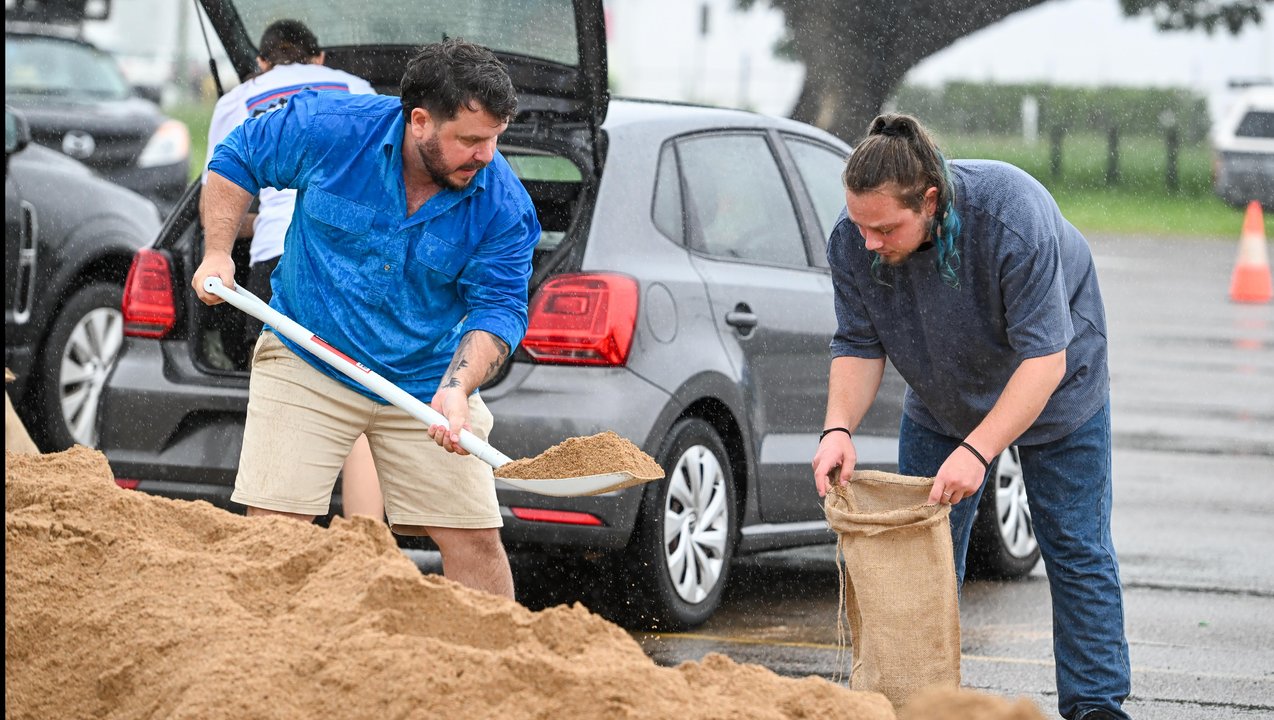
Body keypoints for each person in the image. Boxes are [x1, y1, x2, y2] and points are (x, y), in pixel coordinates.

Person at [192, 38, 541, 600]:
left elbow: (498, 309)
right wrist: (217, 253)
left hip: (426, 380)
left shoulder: (503, 204)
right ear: (420, 122)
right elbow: (239, 155)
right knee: (274, 532)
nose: (485, 155)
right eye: (470, 140)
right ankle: (261, 647)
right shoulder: (332, 128)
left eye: (494, 139)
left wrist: (457, 389)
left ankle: (492, 651)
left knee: (475, 540)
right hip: (308, 354)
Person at [811, 113, 1130, 720]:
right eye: (860, 225)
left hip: (1058, 384)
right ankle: (917, 702)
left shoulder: (1012, 215)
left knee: (1075, 545)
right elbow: (857, 343)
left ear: (930, 201)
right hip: (943, 391)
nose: (869, 242)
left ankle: (1095, 705)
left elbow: (1045, 360)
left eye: (885, 228)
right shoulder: (854, 239)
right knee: (918, 554)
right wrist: (837, 429)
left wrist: (978, 451)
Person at [200, 19, 383, 521]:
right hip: (348, 256)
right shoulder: (357, 89)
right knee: (357, 391)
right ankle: (366, 535)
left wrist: (252, 225)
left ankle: (280, 529)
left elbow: (220, 194)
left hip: (276, 257)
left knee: (285, 393)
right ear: (319, 57)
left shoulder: (238, 101)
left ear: (261, 63)